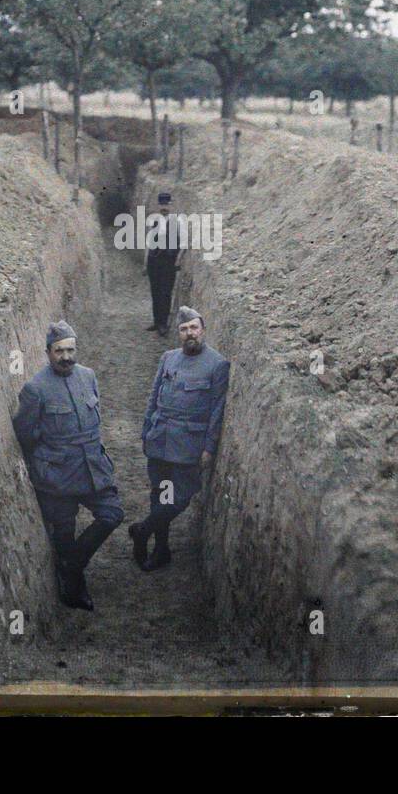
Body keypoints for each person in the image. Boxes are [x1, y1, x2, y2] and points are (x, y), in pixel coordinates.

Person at [12, 321, 123, 610]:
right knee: (64, 530)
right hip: (57, 475)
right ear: (48, 353)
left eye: (70, 350)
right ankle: (73, 589)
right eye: (59, 351)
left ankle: (70, 565)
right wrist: (48, 459)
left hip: (92, 468)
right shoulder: (35, 389)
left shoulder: (88, 376)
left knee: (112, 514)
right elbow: (25, 432)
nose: (66, 357)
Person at [129, 306, 230, 571]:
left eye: (194, 328)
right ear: (179, 334)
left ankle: (143, 530)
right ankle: (161, 549)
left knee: (181, 496)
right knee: (160, 494)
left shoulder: (217, 365)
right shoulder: (168, 358)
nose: (189, 334)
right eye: (184, 330)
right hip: (160, 437)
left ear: (203, 330)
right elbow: (153, 397)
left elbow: (217, 410)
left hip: (188, 444)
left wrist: (209, 447)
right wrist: (146, 429)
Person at [145, 191, 185, 337]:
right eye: (161, 204)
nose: (164, 207)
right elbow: (148, 243)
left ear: (171, 205)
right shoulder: (153, 220)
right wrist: (145, 263)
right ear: (157, 205)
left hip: (169, 261)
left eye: (166, 204)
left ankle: (163, 324)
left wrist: (178, 260)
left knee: (165, 293)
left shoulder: (178, 221)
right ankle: (156, 321)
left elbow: (184, 243)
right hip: (154, 260)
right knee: (155, 292)